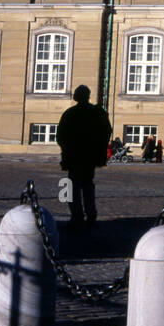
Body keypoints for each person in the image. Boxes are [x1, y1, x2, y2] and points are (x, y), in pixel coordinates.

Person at [56, 85, 112, 228]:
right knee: (88, 185)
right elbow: (106, 131)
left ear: (76, 97)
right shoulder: (97, 112)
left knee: (71, 187)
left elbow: (60, 136)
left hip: (74, 157)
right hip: (90, 157)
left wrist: (66, 150)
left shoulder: (70, 113)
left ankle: (76, 215)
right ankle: (91, 213)